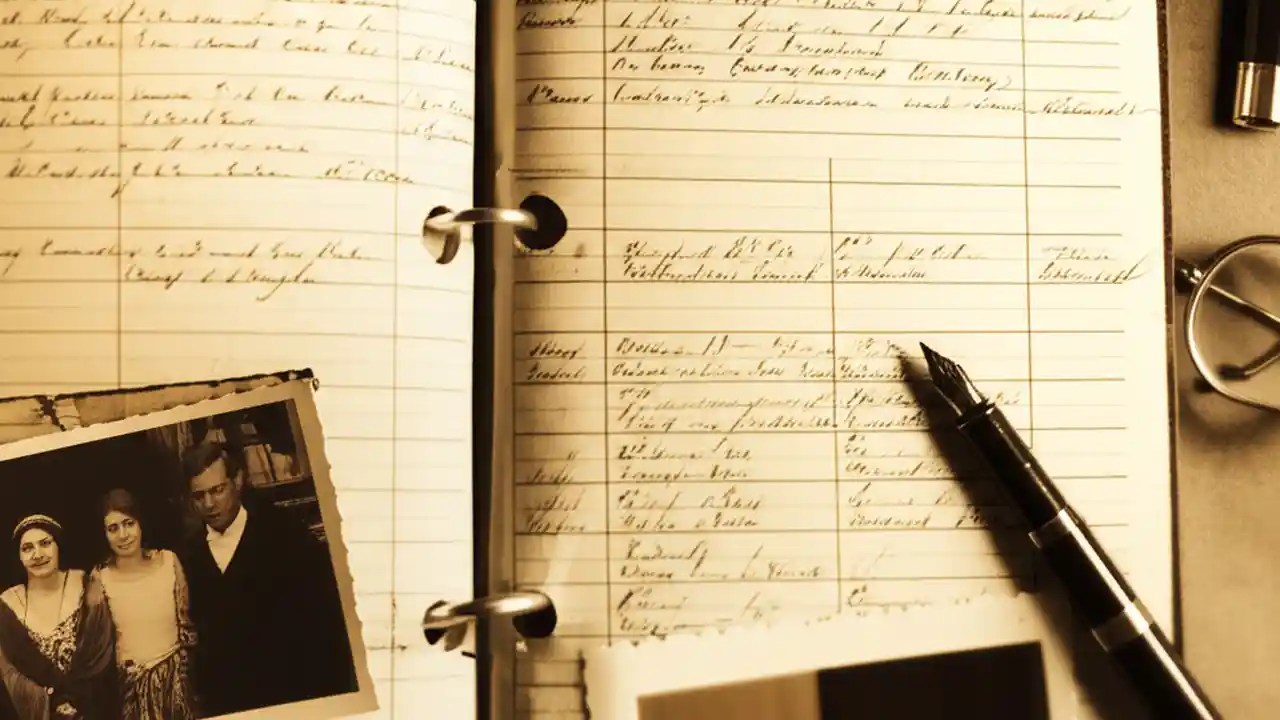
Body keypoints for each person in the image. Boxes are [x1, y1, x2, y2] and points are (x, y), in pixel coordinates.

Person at [178, 438, 356, 716]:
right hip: (232, 703)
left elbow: (326, 625)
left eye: (218, 490)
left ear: (238, 482)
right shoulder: (190, 555)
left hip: (292, 694)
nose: (210, 504)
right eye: (199, 496)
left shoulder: (286, 534)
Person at [92, 489, 195, 720]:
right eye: (113, 528)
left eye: (129, 523)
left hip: (176, 686)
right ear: (104, 534)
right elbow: (99, 644)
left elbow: (187, 627)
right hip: (131, 691)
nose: (123, 535)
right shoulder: (101, 578)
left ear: (141, 524)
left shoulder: (168, 561)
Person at [0, 515, 116, 720]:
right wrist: (53, 702)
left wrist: (76, 701)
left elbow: (102, 655)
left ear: (58, 546)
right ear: (18, 556)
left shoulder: (87, 587)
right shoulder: (7, 605)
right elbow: (11, 675)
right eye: (27, 548)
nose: (38, 554)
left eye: (45, 543)